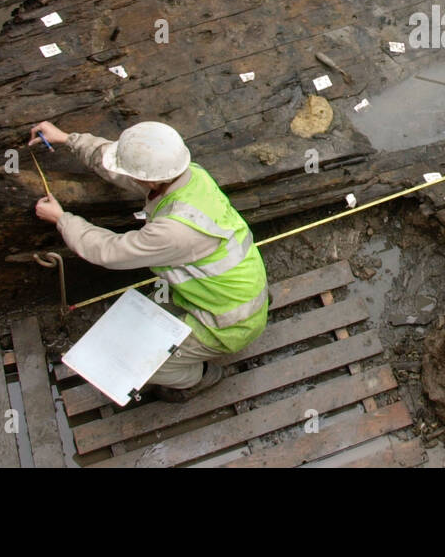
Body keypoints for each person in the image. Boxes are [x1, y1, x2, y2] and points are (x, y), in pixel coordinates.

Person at [29, 119, 268, 402]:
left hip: (227, 326)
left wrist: (62, 219)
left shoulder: (176, 232)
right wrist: (68, 139)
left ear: (153, 180)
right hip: (236, 293)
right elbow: (121, 167)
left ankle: (198, 377)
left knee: (135, 366)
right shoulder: (191, 176)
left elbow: (109, 251)